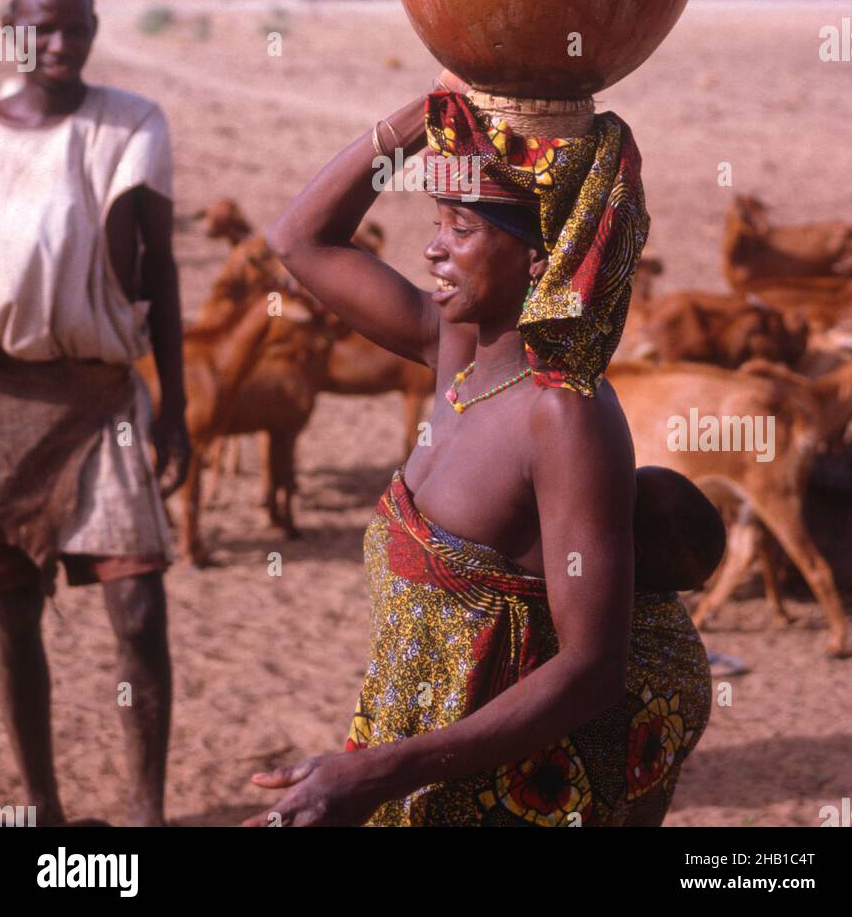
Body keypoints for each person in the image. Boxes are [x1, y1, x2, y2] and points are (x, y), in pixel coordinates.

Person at [245, 75, 719, 828]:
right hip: (417, 752)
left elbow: (593, 670)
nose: (431, 248)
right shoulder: (456, 355)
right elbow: (298, 240)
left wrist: (378, 772)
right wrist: (425, 114)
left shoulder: (563, 414)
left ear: (539, 257)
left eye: (460, 229)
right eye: (436, 221)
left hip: (506, 778)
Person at [0, 0, 190, 828]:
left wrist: (174, 407)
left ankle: (145, 817)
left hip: (102, 396)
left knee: (139, 610)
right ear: (12, 29)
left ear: (97, 31)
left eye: (77, 26)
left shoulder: (131, 123)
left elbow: (159, 269)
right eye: (41, 25)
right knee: (10, 615)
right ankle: (41, 809)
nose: (60, 42)